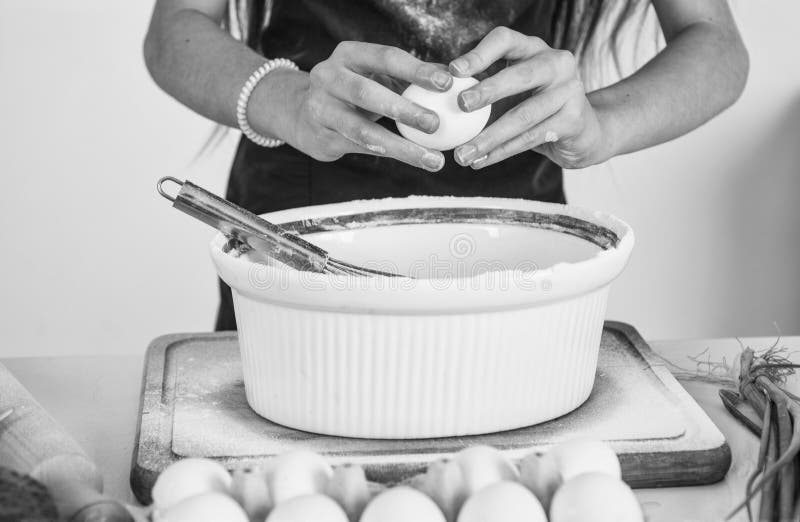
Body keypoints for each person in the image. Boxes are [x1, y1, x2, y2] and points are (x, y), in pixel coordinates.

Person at [144, 0, 748, 330]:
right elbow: (176, 27)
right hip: (300, 218)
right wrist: (287, 101)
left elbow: (713, 39)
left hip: (513, 229)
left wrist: (600, 125)